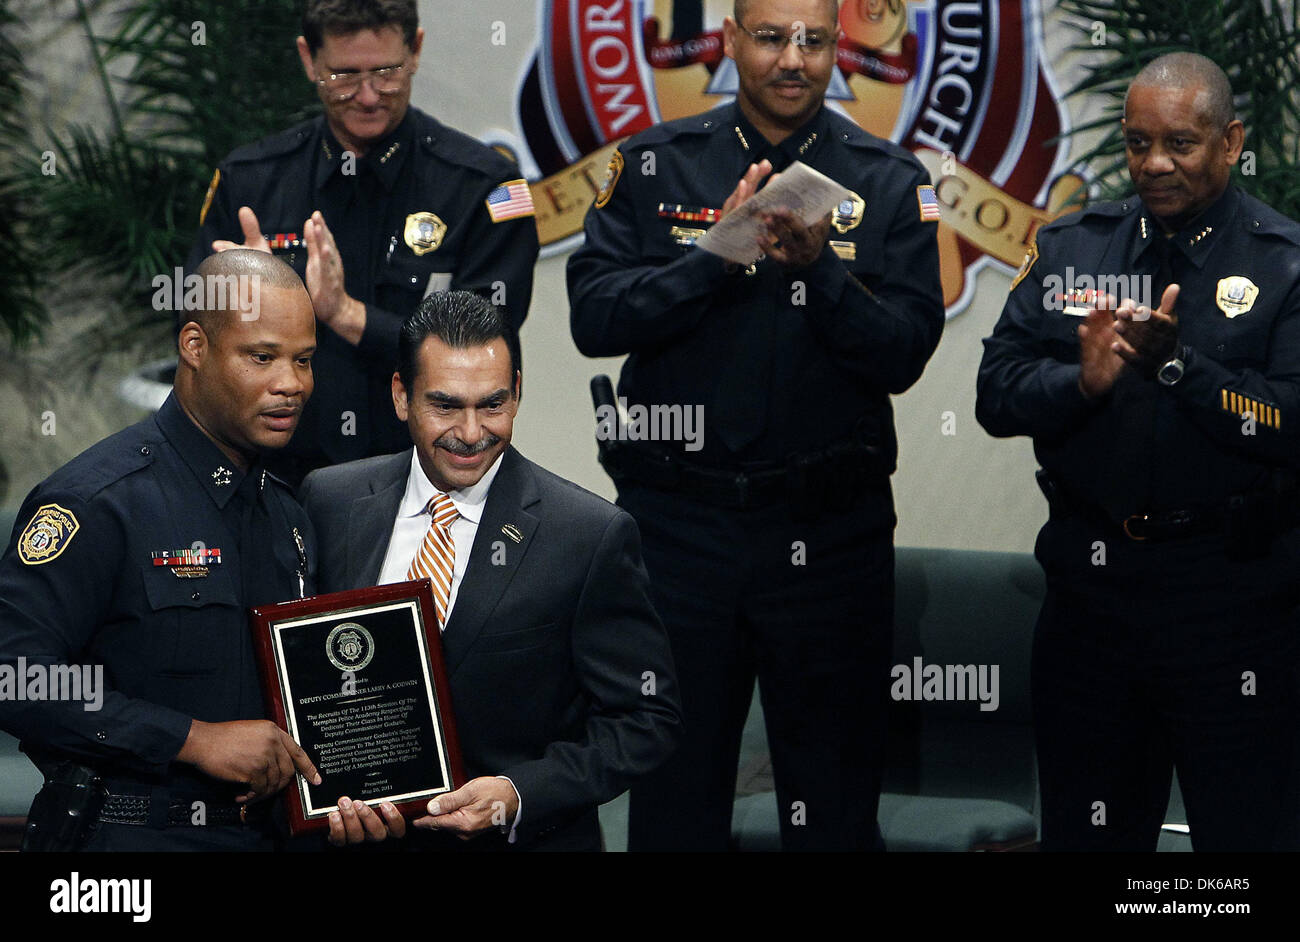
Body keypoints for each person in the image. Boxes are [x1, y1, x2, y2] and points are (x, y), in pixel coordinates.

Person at [566, 0, 944, 851]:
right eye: (771, 37)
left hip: (829, 534)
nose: (793, 60)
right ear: (731, 41)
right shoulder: (657, 165)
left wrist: (826, 275)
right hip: (679, 533)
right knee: (674, 795)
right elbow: (595, 316)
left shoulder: (887, 181)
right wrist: (711, 259)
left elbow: (905, 353)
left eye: (813, 41)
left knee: (835, 800)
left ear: (837, 49)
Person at [977, 52, 1300, 851]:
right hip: (1092, 602)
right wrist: (1078, 385)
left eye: (1180, 144)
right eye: (1137, 143)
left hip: (1235, 604)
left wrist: (1179, 368)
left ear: (1231, 141)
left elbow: (1289, 422)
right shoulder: (1071, 250)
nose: (1155, 164)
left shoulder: (1283, 263)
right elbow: (994, 395)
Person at [298, 291, 682, 851]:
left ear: (518, 393)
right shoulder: (329, 500)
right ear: (401, 396)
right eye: (446, 406)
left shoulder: (588, 534)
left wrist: (518, 792)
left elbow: (647, 718)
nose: (472, 433)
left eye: (493, 405)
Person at [0, 251, 346, 851]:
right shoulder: (97, 502)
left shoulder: (289, 515)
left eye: (304, 360)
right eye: (261, 356)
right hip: (128, 838)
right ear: (194, 345)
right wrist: (192, 739)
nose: (291, 383)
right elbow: (16, 676)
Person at [189, 0, 540, 485]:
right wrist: (254, 309)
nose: (369, 95)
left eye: (386, 71)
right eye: (343, 75)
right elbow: (191, 337)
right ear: (308, 59)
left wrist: (347, 316)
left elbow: (487, 352)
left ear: (415, 50)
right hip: (273, 485)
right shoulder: (249, 181)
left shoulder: (482, 187)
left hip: (426, 487)